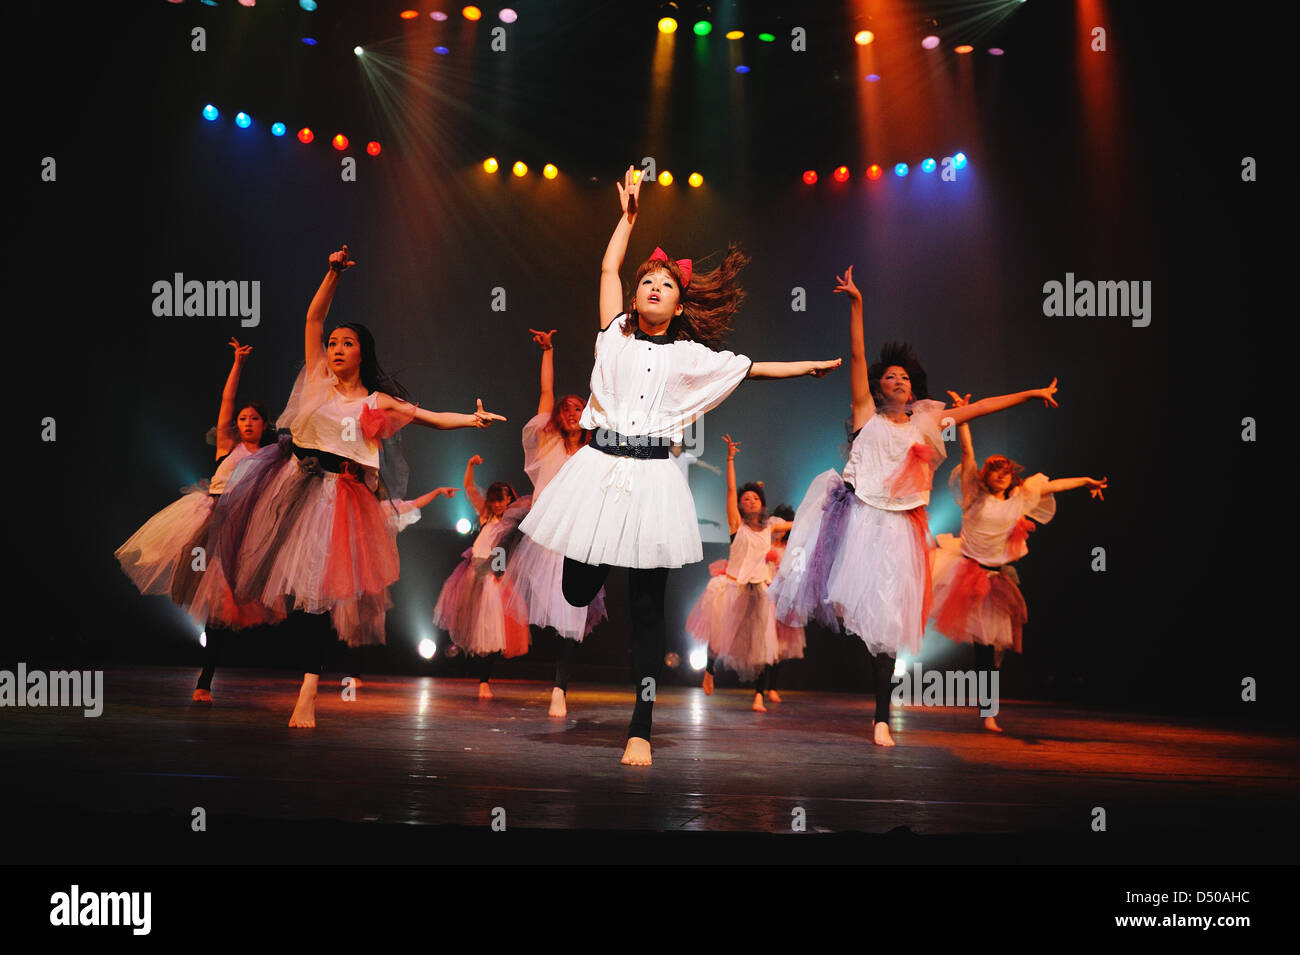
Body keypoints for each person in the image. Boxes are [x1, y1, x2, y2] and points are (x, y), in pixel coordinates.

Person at [518, 166, 842, 765]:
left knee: (646, 608)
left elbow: (750, 368)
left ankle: (640, 725)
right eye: (650, 282)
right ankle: (592, 569)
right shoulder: (611, 336)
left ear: (678, 299)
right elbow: (607, 270)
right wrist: (629, 218)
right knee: (574, 586)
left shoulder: (692, 356)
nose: (655, 288)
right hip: (598, 468)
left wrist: (806, 368)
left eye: (666, 284)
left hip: (652, 480)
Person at [191, 245, 506, 726]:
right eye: (334, 343)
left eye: (347, 343)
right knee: (291, 594)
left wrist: (472, 419)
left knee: (320, 598)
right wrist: (331, 274)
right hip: (294, 487)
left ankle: (309, 690)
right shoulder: (317, 379)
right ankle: (267, 672)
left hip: (342, 497)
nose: (335, 348)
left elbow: (428, 417)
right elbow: (312, 321)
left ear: (363, 353)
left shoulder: (376, 400)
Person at [769, 265, 1058, 746]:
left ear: (913, 386)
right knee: (847, 611)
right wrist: (857, 302)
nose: (896, 380)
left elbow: (980, 407)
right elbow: (859, 356)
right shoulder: (866, 413)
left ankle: (881, 717)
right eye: (890, 376)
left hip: (901, 527)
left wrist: (1030, 393)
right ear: (881, 386)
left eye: (904, 377)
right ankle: (796, 673)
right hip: (858, 518)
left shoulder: (928, 421)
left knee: (887, 627)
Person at [931, 391, 1106, 731]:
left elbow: (1053, 485)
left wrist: (1085, 481)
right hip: (965, 571)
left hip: (997, 578)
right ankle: (984, 709)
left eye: (1006, 471)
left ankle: (988, 710)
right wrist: (963, 416)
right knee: (981, 648)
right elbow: (967, 452)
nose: (1001, 474)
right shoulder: (973, 495)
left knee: (994, 648)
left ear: (1012, 477)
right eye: (995, 470)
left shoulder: (1019, 500)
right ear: (985, 475)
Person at [114, 338, 273, 702]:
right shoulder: (226, 447)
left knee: (234, 604)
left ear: (265, 425)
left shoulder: (270, 456)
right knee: (214, 607)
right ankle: (205, 681)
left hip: (244, 529)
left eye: (254, 419)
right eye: (243, 419)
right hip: (209, 521)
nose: (247, 422)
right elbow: (226, 402)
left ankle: (243, 670)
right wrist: (238, 364)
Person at [500, 329, 608, 718]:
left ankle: (560, 686)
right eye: (568, 407)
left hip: (578, 538)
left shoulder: (593, 453)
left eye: (580, 407)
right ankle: (550, 676)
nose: (572, 411)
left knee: (570, 615)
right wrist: (548, 353)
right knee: (549, 616)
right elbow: (546, 397)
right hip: (545, 538)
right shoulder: (548, 442)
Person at [687, 434, 792, 712]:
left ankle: (759, 693)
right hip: (732, 587)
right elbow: (731, 490)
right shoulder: (737, 525)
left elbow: (796, 523)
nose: (749, 501)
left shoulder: (770, 526)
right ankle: (710, 669)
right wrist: (730, 458)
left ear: (762, 502)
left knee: (760, 641)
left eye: (754, 498)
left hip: (759, 590)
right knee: (720, 635)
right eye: (745, 499)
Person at [433, 456, 530, 699]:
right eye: (494, 500)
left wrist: (497, 572)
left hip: (494, 577)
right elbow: (468, 487)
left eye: (502, 500)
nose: (498, 504)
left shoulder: (512, 523)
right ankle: (472, 670)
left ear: (509, 500)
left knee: (491, 631)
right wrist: (470, 465)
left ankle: (483, 680)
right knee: (471, 626)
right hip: (473, 574)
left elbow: (506, 550)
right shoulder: (485, 515)